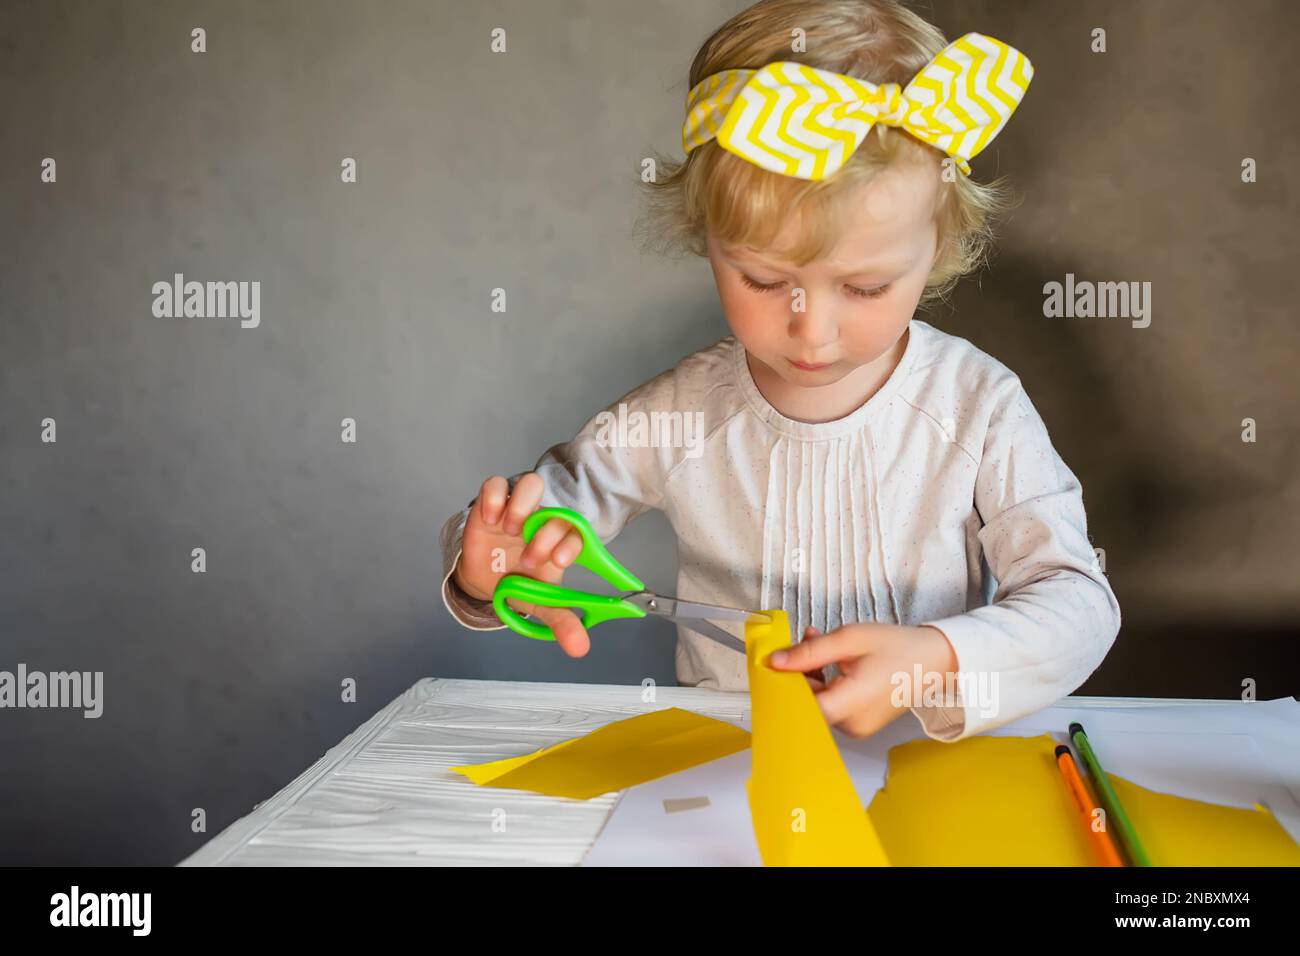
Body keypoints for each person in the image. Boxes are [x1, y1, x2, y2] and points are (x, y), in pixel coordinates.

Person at [439, 0, 1120, 742]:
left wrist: (939, 659)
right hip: (733, 772)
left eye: (864, 288)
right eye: (764, 280)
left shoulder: (977, 407)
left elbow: (1078, 606)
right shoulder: (680, 414)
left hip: (930, 771)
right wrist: (489, 570)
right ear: (708, 240)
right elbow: (541, 513)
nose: (813, 331)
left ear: (939, 246)